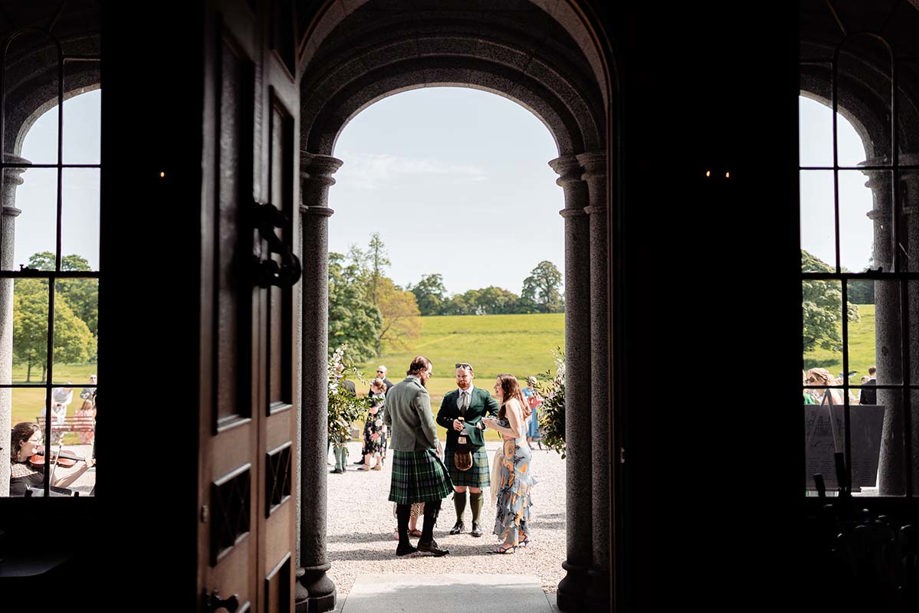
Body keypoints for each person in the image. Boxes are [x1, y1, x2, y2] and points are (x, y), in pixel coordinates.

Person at [383, 355, 452, 557]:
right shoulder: (419, 391)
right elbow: (428, 423)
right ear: (421, 371)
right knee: (438, 489)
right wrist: (435, 443)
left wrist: (402, 430)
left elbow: (387, 419)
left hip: (400, 450)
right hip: (420, 449)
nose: (428, 377)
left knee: (404, 497)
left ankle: (403, 543)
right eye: (428, 373)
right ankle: (426, 540)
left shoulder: (393, 390)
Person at [436, 362, 499, 538]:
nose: (461, 379)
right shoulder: (449, 397)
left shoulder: (483, 395)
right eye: (458, 376)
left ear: (471, 376)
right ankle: (459, 522)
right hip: (455, 446)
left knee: (476, 487)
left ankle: (476, 523)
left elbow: (496, 412)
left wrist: (482, 423)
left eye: (464, 376)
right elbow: (439, 418)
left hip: (475, 445)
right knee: (459, 487)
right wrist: (451, 423)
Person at [482, 374, 535, 554]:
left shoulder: (510, 404)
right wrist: (494, 422)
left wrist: (493, 426)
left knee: (511, 494)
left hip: (516, 455)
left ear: (506, 387)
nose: (495, 388)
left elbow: (516, 431)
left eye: (498, 385)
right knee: (519, 493)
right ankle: (522, 534)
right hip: (517, 452)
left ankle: (511, 540)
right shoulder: (513, 402)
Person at [9, 422, 93, 496]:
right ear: (21, 442)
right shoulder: (9, 466)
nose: (39, 444)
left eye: (40, 440)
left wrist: (82, 470)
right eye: (35, 440)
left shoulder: (40, 462)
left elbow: (56, 485)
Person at [358, 377, 387, 471]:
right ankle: (378, 464)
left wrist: (366, 408)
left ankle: (367, 464)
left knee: (369, 440)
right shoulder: (383, 395)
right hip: (382, 422)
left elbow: (374, 410)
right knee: (379, 441)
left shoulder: (375, 397)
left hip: (373, 422)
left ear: (375, 386)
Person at [522, 375, 544, 450]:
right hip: (527, 411)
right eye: (530, 382)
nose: (531, 384)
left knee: (532, 426)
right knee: (526, 426)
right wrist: (529, 398)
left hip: (533, 411)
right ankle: (525, 443)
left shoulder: (535, 391)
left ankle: (529, 443)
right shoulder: (524, 390)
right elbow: (522, 399)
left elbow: (539, 399)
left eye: (533, 383)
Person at [75, 374, 98, 445]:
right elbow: (81, 395)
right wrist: (86, 395)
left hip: (95, 405)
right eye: (91, 378)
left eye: (94, 378)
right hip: (88, 404)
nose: (93, 379)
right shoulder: (86, 387)